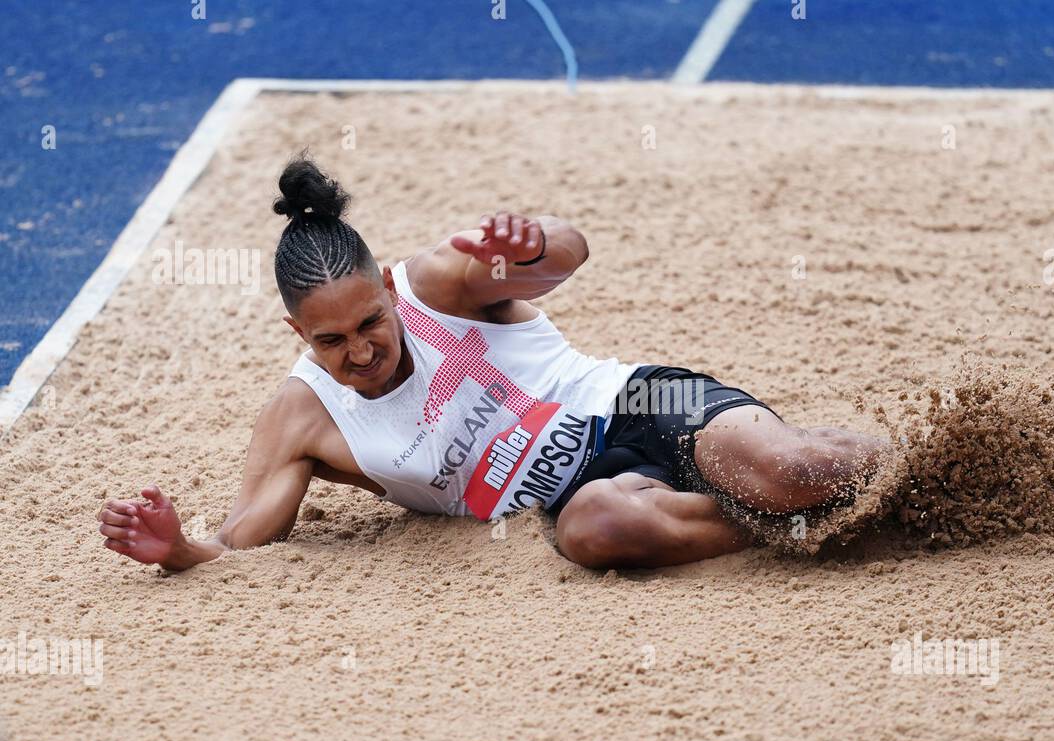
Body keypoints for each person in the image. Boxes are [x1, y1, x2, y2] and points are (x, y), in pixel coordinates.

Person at [97, 157, 885, 570]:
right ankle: (805, 529)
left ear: (387, 289)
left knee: (787, 469)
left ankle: (915, 474)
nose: (362, 350)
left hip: (634, 403)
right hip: (585, 492)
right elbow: (243, 537)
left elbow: (571, 252)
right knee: (597, 532)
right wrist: (178, 549)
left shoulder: (437, 282)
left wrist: (532, 248)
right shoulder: (302, 415)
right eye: (330, 342)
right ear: (294, 331)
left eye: (372, 321)